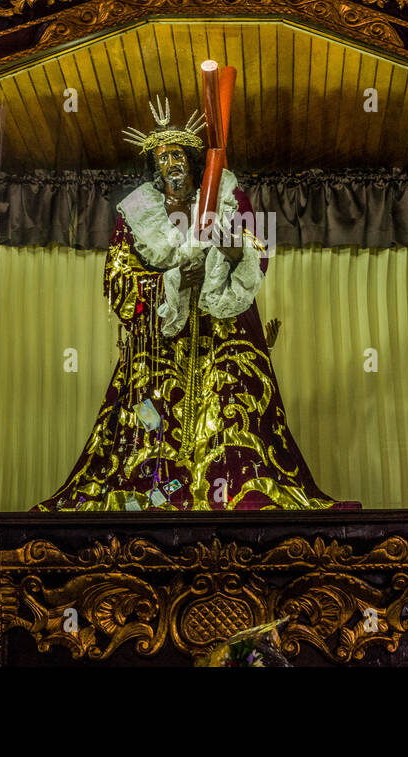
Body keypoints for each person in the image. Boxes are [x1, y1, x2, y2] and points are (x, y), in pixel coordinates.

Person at [34, 96, 351, 511]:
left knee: (235, 417)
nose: (172, 162)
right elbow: (117, 280)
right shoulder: (136, 215)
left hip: (226, 336)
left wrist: (228, 253)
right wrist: (172, 280)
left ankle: (238, 495)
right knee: (149, 429)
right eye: (164, 156)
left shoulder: (225, 197)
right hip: (160, 345)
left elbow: (256, 249)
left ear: (193, 160)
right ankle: (154, 497)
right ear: (154, 166)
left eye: (179, 153)